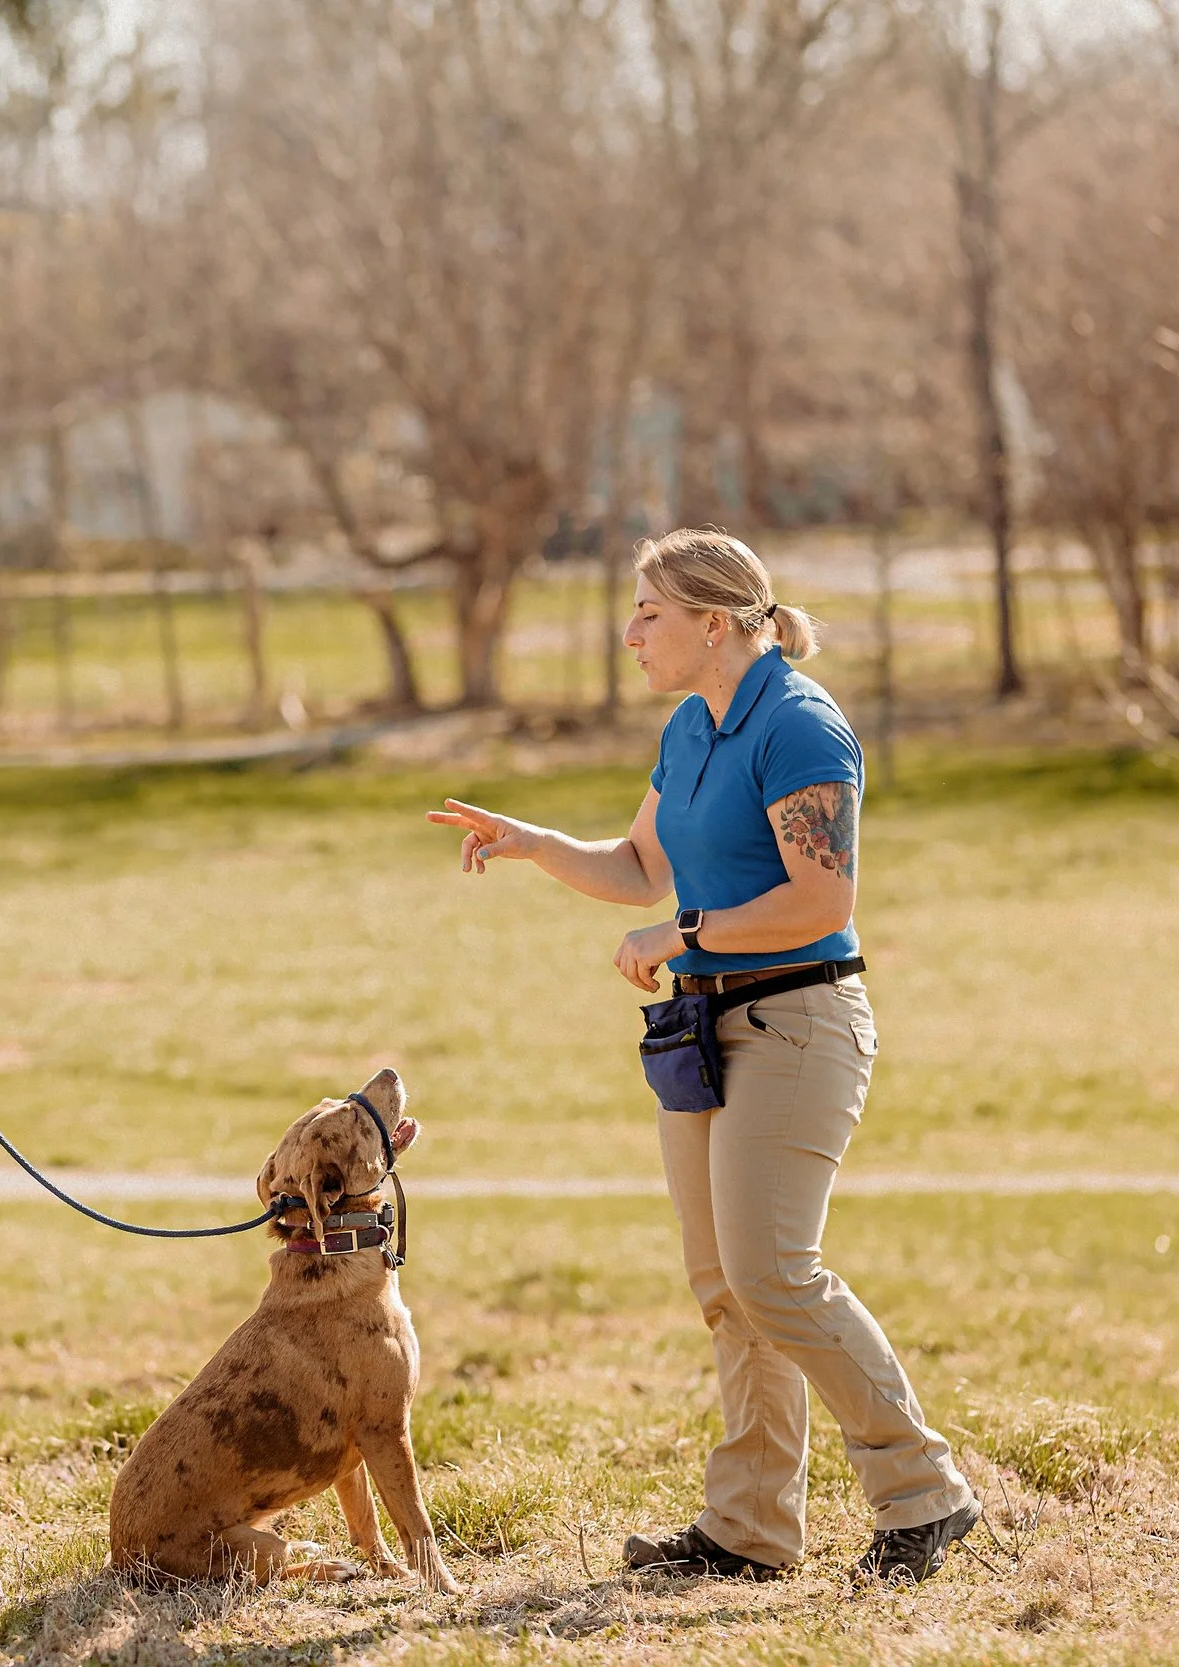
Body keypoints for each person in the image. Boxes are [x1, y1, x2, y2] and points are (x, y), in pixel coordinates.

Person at [426, 528, 979, 1586]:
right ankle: (750, 1529)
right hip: (702, 1032)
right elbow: (642, 864)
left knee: (774, 1273)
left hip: (797, 1024)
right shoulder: (691, 725)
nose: (629, 633)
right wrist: (535, 842)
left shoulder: (800, 723)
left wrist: (683, 934)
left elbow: (820, 900)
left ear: (713, 623)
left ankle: (925, 1492)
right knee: (726, 1284)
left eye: (649, 612)